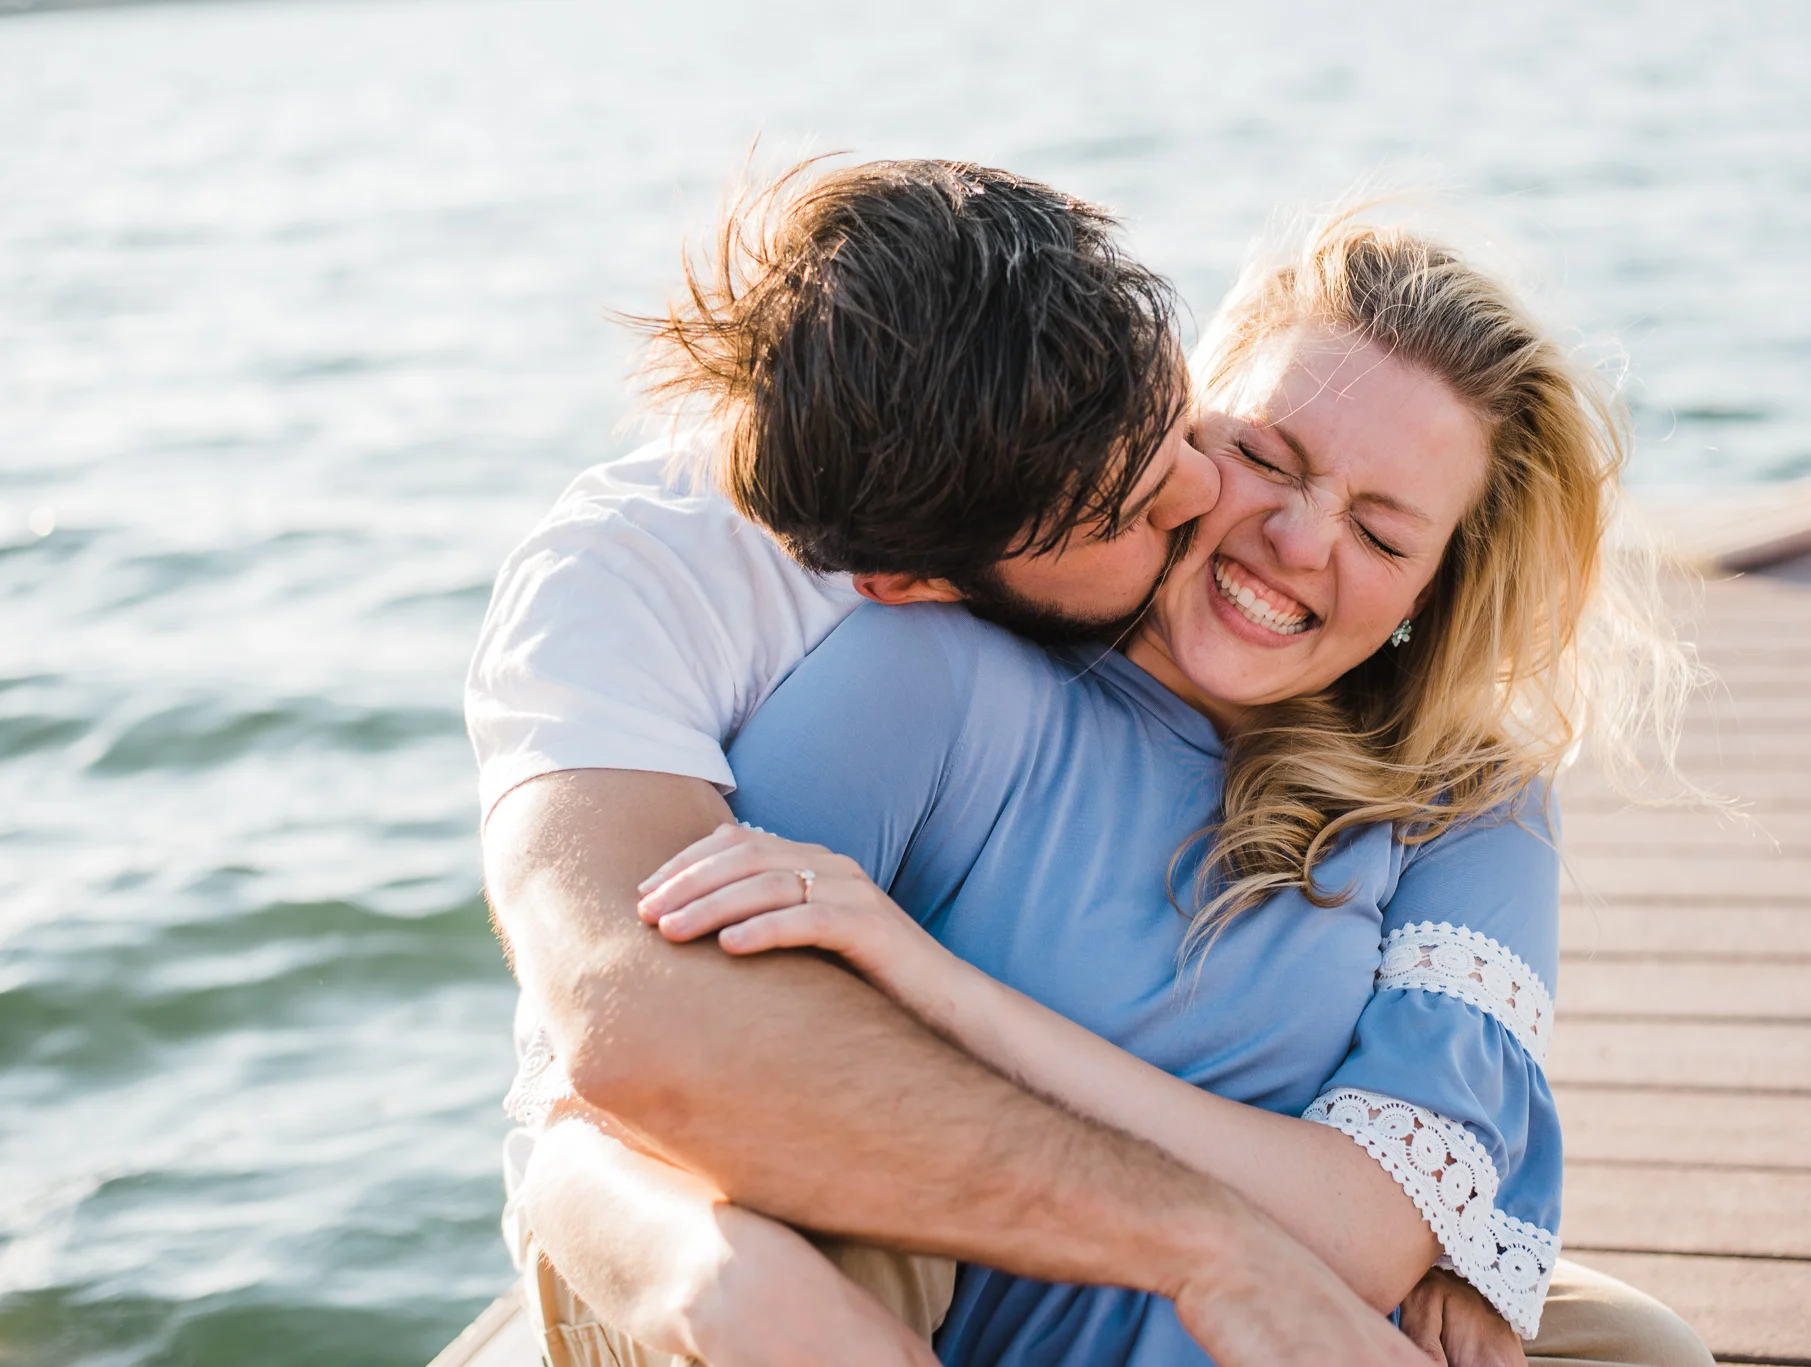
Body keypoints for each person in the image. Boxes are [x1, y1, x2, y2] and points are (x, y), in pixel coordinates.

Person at [470, 159, 1711, 1367]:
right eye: (1262, 457)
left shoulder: (1467, 800)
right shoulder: (913, 662)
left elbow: (1371, 1229)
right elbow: (640, 1056)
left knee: (1645, 1348)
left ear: (1436, 583)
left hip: (1289, 1308)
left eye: (1383, 532)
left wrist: (938, 983)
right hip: (948, 1271)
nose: (1288, 536)